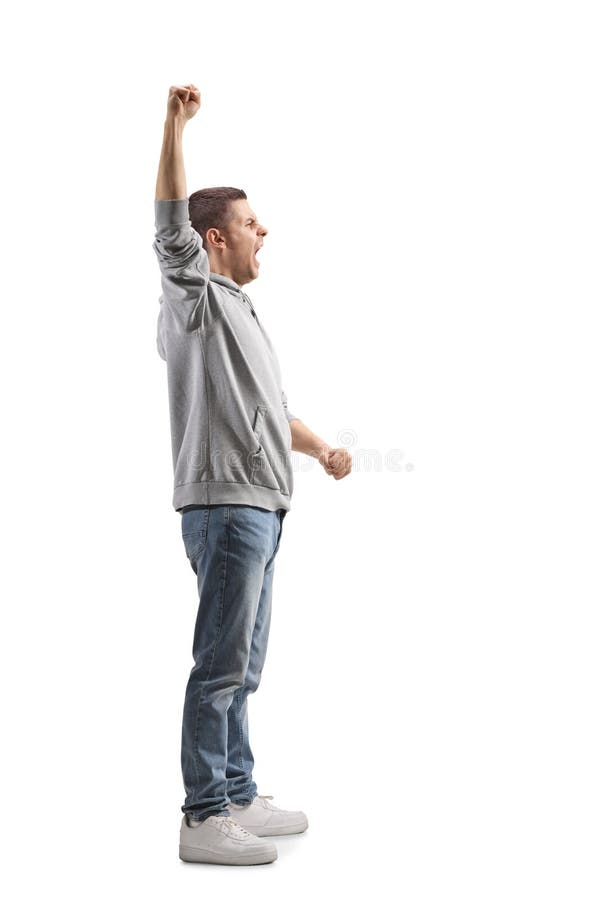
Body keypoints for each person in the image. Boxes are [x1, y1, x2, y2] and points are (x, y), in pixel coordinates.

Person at [153, 84, 352, 866]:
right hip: (227, 507)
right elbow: (166, 225)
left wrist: (325, 448)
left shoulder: (239, 311)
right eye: (248, 223)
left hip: (262, 508)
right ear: (211, 239)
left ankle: (235, 790)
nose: (262, 230)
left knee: (246, 663)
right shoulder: (193, 293)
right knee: (221, 663)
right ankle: (204, 815)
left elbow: (272, 410)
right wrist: (173, 125)